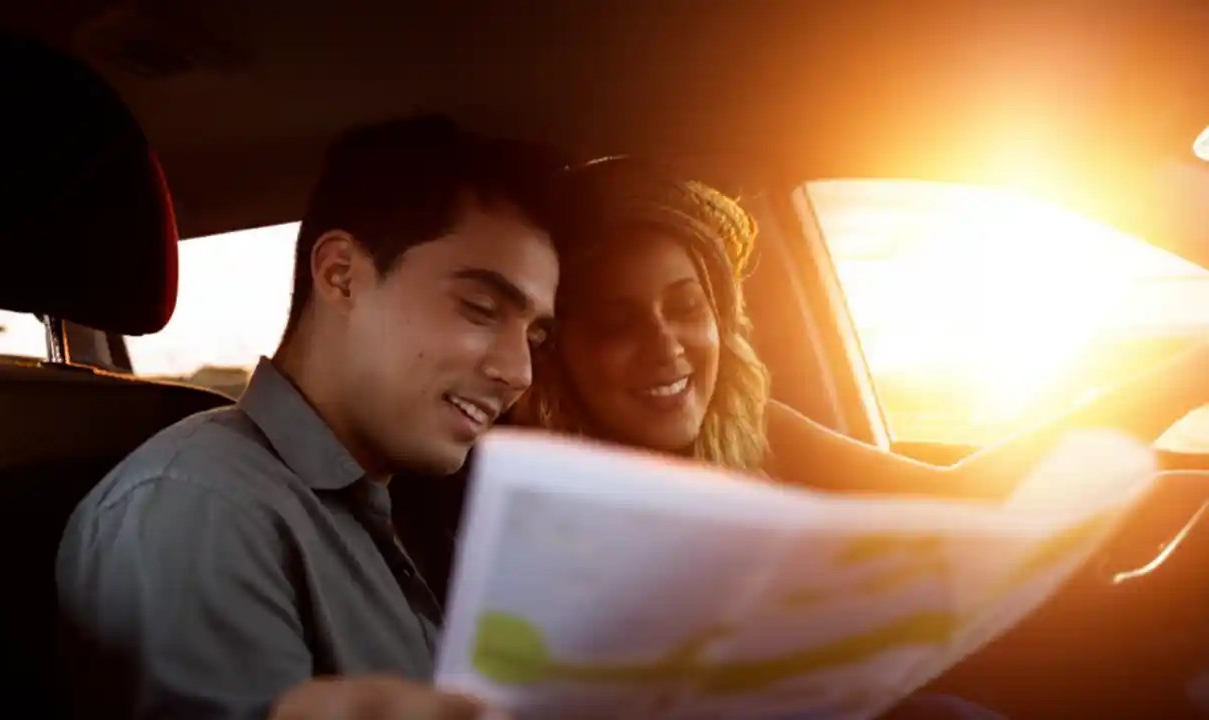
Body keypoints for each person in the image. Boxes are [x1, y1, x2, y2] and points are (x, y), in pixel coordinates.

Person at [56, 115, 559, 719]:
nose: (519, 370)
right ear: (341, 276)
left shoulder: (409, 509)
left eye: (534, 335)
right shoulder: (202, 506)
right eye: (480, 309)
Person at [515, 155, 1209, 500]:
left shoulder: (751, 427)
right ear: (556, 348)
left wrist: (1191, 372)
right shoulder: (523, 489)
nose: (667, 345)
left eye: (688, 308)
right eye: (616, 325)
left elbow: (959, 501)